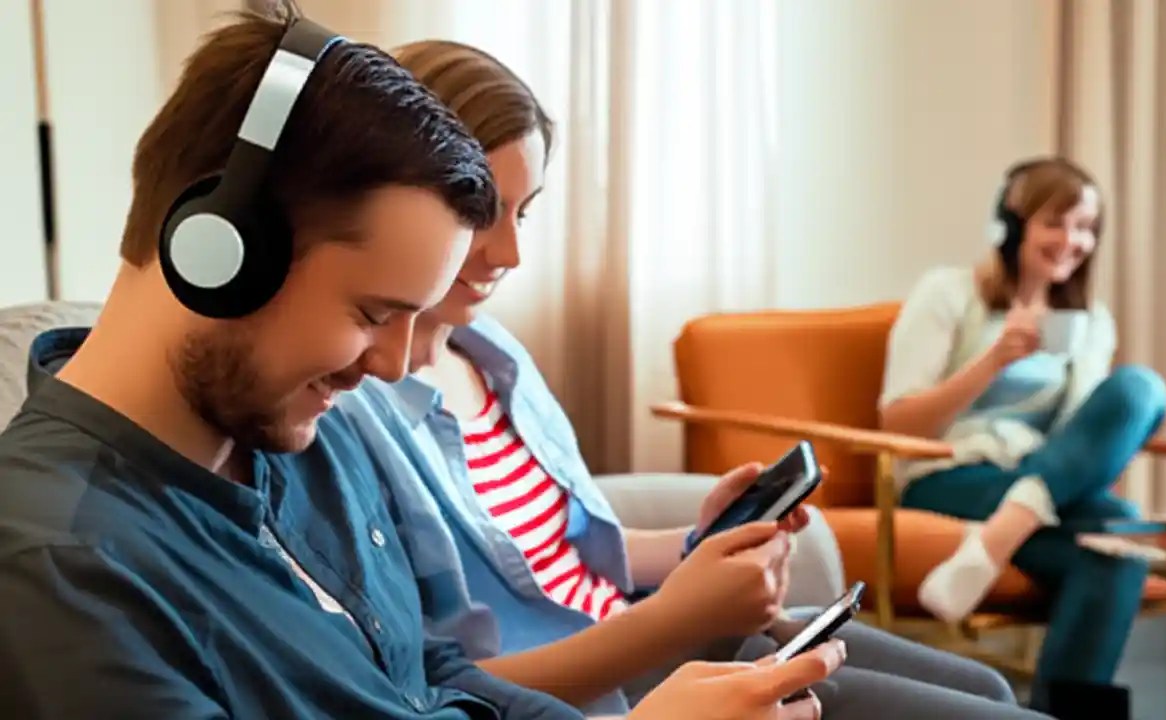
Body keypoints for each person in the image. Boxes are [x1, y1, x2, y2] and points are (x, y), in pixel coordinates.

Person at [0, 6, 842, 719]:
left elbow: (427, 674)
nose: (394, 366)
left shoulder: (294, 435)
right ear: (216, 253)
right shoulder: (63, 571)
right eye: (371, 314)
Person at [335, 39, 1050, 720]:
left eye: (524, 212)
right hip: (612, 677)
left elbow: (575, 542)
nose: (512, 252)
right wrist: (674, 621)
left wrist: (697, 544)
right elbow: (435, 685)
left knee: (984, 683)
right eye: (483, 211)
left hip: (651, 633)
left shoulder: (494, 354)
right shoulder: (344, 409)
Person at [879, 157, 1166, 716]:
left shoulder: (1090, 321)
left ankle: (1001, 539)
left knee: (1139, 399)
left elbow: (1082, 438)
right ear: (1012, 227)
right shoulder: (947, 293)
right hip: (948, 475)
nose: (1071, 240)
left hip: (1037, 476)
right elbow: (898, 423)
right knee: (1120, 529)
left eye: (1086, 227)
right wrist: (992, 361)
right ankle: (1017, 518)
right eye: (1055, 223)